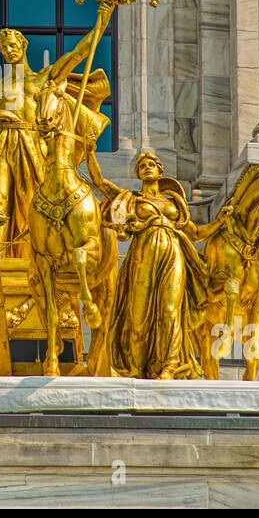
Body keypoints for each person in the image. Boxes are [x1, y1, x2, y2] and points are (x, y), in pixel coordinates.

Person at [0, 2, 113, 256]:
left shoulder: (44, 78)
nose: (9, 50)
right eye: (4, 47)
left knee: (33, 205)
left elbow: (77, 55)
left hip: (35, 146)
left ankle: (33, 257)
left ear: (23, 46)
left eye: (13, 45)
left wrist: (100, 25)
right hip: (4, 147)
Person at [87, 150, 207, 379]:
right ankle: (135, 367)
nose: (147, 168)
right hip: (143, 255)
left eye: (151, 164)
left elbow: (198, 233)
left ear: (160, 169)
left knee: (170, 311)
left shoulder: (174, 204)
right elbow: (99, 182)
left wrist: (224, 222)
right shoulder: (130, 198)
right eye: (142, 166)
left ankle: (170, 366)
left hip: (173, 253)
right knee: (138, 315)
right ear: (138, 174)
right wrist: (90, 150)